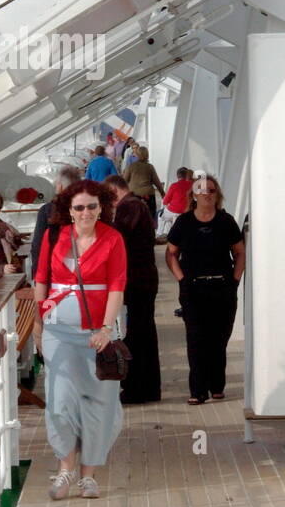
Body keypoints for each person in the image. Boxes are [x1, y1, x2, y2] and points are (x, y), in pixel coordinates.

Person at [33, 179, 127, 500]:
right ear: (69, 211)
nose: (85, 212)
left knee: (98, 402)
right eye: (79, 207)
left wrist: (106, 328)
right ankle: (65, 469)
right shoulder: (54, 236)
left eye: (91, 206)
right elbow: (41, 280)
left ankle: (89, 475)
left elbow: (116, 286)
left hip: (96, 333)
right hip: (58, 329)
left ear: (101, 208)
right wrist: (38, 324)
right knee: (59, 402)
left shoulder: (113, 239)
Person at [165, 174, 245, 405]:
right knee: (196, 340)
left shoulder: (226, 222)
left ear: (217, 194)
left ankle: (217, 385)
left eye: (211, 190)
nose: (206, 194)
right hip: (193, 289)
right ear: (193, 195)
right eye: (201, 190)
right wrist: (182, 279)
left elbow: (239, 252)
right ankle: (198, 390)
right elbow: (171, 253)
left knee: (219, 339)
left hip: (222, 288)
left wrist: (234, 280)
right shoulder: (184, 222)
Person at [105, 175, 161, 403]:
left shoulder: (129, 206)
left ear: (113, 190)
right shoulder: (136, 205)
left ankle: (137, 388)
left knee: (136, 334)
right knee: (144, 333)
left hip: (137, 280)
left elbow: (118, 238)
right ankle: (148, 388)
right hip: (143, 278)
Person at [30, 164, 82, 272]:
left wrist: (37, 274)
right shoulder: (85, 210)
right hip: (81, 269)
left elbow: (38, 246)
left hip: (54, 269)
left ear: (60, 186)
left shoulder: (47, 210)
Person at [126, 144, 165, 221]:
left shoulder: (131, 166)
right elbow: (157, 182)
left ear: (137, 155)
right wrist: (162, 193)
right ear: (147, 155)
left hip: (134, 194)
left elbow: (125, 180)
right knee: (150, 216)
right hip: (148, 195)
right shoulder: (150, 167)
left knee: (134, 216)